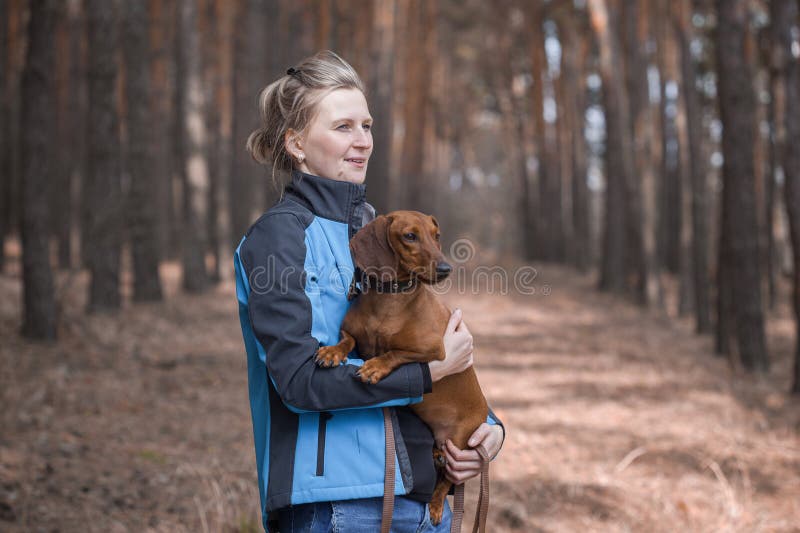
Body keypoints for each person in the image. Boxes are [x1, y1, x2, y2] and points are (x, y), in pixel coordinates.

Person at [234, 50, 504, 533]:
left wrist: (488, 436)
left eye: (367, 125)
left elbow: (436, 343)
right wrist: (428, 372)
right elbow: (299, 383)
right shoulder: (279, 238)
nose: (362, 142)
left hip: (423, 502)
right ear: (296, 143)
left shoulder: (379, 230)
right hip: (337, 506)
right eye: (343, 127)